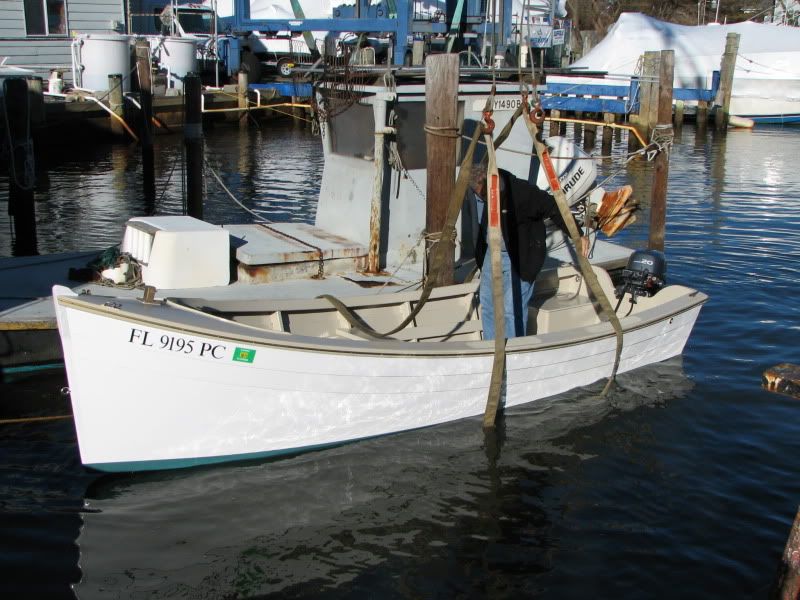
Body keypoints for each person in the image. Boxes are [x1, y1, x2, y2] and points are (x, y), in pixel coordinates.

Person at [468, 162, 589, 340]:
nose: (483, 198)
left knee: (512, 308)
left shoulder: (521, 192)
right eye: (479, 194)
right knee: (487, 303)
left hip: (521, 254)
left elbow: (553, 206)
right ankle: (491, 346)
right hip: (492, 253)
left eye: (484, 194)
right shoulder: (478, 195)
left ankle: (513, 350)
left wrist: (577, 234)